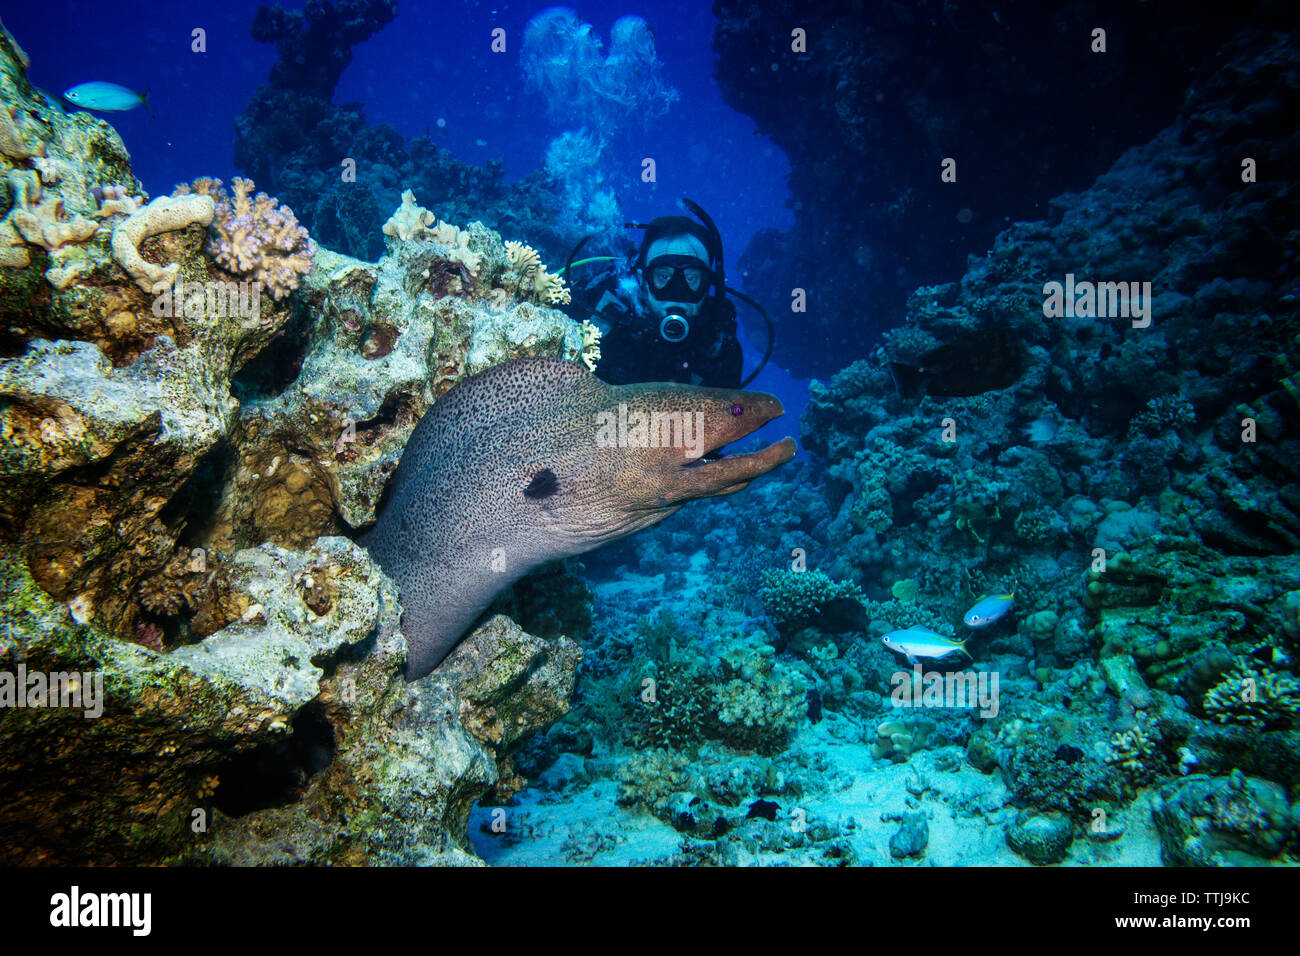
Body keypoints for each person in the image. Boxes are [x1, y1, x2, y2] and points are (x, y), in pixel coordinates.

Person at [573, 215, 745, 387]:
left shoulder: (722, 349)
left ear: (707, 285)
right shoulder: (594, 311)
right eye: (663, 276)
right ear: (642, 280)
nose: (678, 292)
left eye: (692, 278)